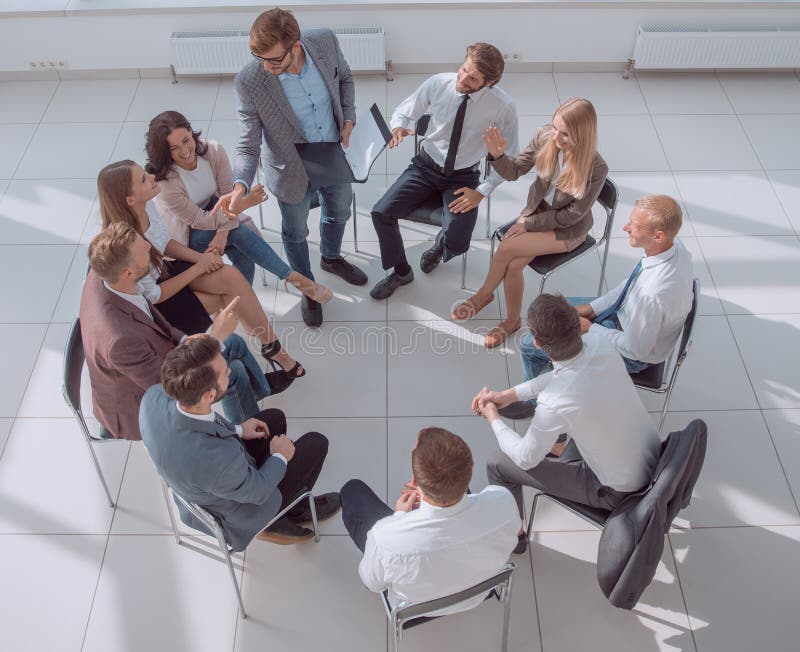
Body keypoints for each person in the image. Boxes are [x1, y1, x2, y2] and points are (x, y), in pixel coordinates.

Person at [213, 7, 368, 328]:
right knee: (295, 232)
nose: (266, 67)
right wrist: (239, 185)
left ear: (295, 46)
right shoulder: (250, 81)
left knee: (339, 211)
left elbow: (346, 79)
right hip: (289, 168)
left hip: (330, 152)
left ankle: (331, 256)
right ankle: (307, 286)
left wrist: (349, 118)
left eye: (273, 60)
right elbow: (247, 142)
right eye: (260, 59)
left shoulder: (324, 41)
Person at [473, 293, 660, 554]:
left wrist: (493, 417)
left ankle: (512, 538)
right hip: (652, 457)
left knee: (497, 463)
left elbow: (525, 458)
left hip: (616, 489)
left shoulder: (554, 403)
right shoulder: (599, 342)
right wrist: (507, 395)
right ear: (576, 321)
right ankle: (557, 454)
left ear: (537, 343)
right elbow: (561, 375)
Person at [97, 159, 306, 382]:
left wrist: (202, 259)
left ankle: (271, 347)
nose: (151, 176)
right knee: (229, 297)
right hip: (160, 303)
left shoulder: (146, 203)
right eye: (143, 179)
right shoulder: (126, 243)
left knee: (231, 277)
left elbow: (164, 242)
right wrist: (198, 267)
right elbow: (153, 296)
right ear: (130, 199)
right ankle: (252, 364)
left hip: (164, 269)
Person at [80, 223, 289, 439]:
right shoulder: (120, 341)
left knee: (234, 342)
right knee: (232, 371)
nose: (148, 244)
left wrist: (190, 340)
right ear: (128, 272)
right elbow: (171, 388)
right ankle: (249, 440)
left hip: (159, 359)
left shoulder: (110, 275)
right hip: (147, 400)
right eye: (142, 247)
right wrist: (214, 337)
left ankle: (258, 393)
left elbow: (156, 320)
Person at [139, 334, 341, 549]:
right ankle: (287, 512)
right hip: (247, 508)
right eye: (225, 373)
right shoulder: (219, 460)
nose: (229, 371)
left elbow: (203, 422)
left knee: (274, 418)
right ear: (209, 396)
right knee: (316, 444)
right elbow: (258, 490)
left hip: (202, 482)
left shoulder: (153, 397)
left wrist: (237, 430)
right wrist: (280, 456)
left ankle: (290, 500)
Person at [503, 194, 693, 420]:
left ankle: (537, 404)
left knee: (529, 346)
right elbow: (629, 286)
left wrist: (589, 328)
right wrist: (592, 308)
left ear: (658, 236)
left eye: (635, 225)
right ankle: (559, 371)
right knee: (546, 313)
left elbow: (637, 350)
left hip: (631, 351)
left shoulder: (652, 295)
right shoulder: (674, 248)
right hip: (624, 316)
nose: (625, 227)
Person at [452, 98, 608, 348]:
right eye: (555, 127)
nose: (556, 137)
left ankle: (483, 296)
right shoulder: (545, 137)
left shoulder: (596, 167)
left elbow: (572, 216)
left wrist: (528, 223)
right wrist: (498, 154)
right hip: (538, 215)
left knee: (506, 248)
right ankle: (512, 321)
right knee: (513, 266)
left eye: (565, 134)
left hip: (568, 230)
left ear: (583, 134)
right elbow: (514, 171)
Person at [369, 42, 519, 300]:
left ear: (490, 82)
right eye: (463, 70)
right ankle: (401, 271)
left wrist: (481, 192)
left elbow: (511, 159)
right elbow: (404, 112)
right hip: (425, 167)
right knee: (381, 212)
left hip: (463, 177)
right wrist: (398, 127)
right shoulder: (439, 83)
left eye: (472, 79)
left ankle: (440, 247)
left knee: (458, 240)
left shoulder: (503, 107)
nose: (463, 79)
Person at [145, 110, 331, 307]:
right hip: (189, 237)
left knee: (242, 254)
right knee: (239, 232)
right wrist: (244, 204)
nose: (184, 151)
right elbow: (200, 220)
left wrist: (223, 232)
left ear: (191, 132)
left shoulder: (213, 151)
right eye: (174, 148)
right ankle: (293, 278)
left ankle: (238, 306)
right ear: (165, 152)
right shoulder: (165, 183)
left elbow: (229, 197)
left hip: (218, 216)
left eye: (186, 140)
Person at [340, 427, 519, 613]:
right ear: (469, 472)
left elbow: (372, 582)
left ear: (415, 482)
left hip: (415, 610)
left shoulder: (385, 537)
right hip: (478, 593)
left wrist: (399, 516)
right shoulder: (503, 501)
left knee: (352, 490)